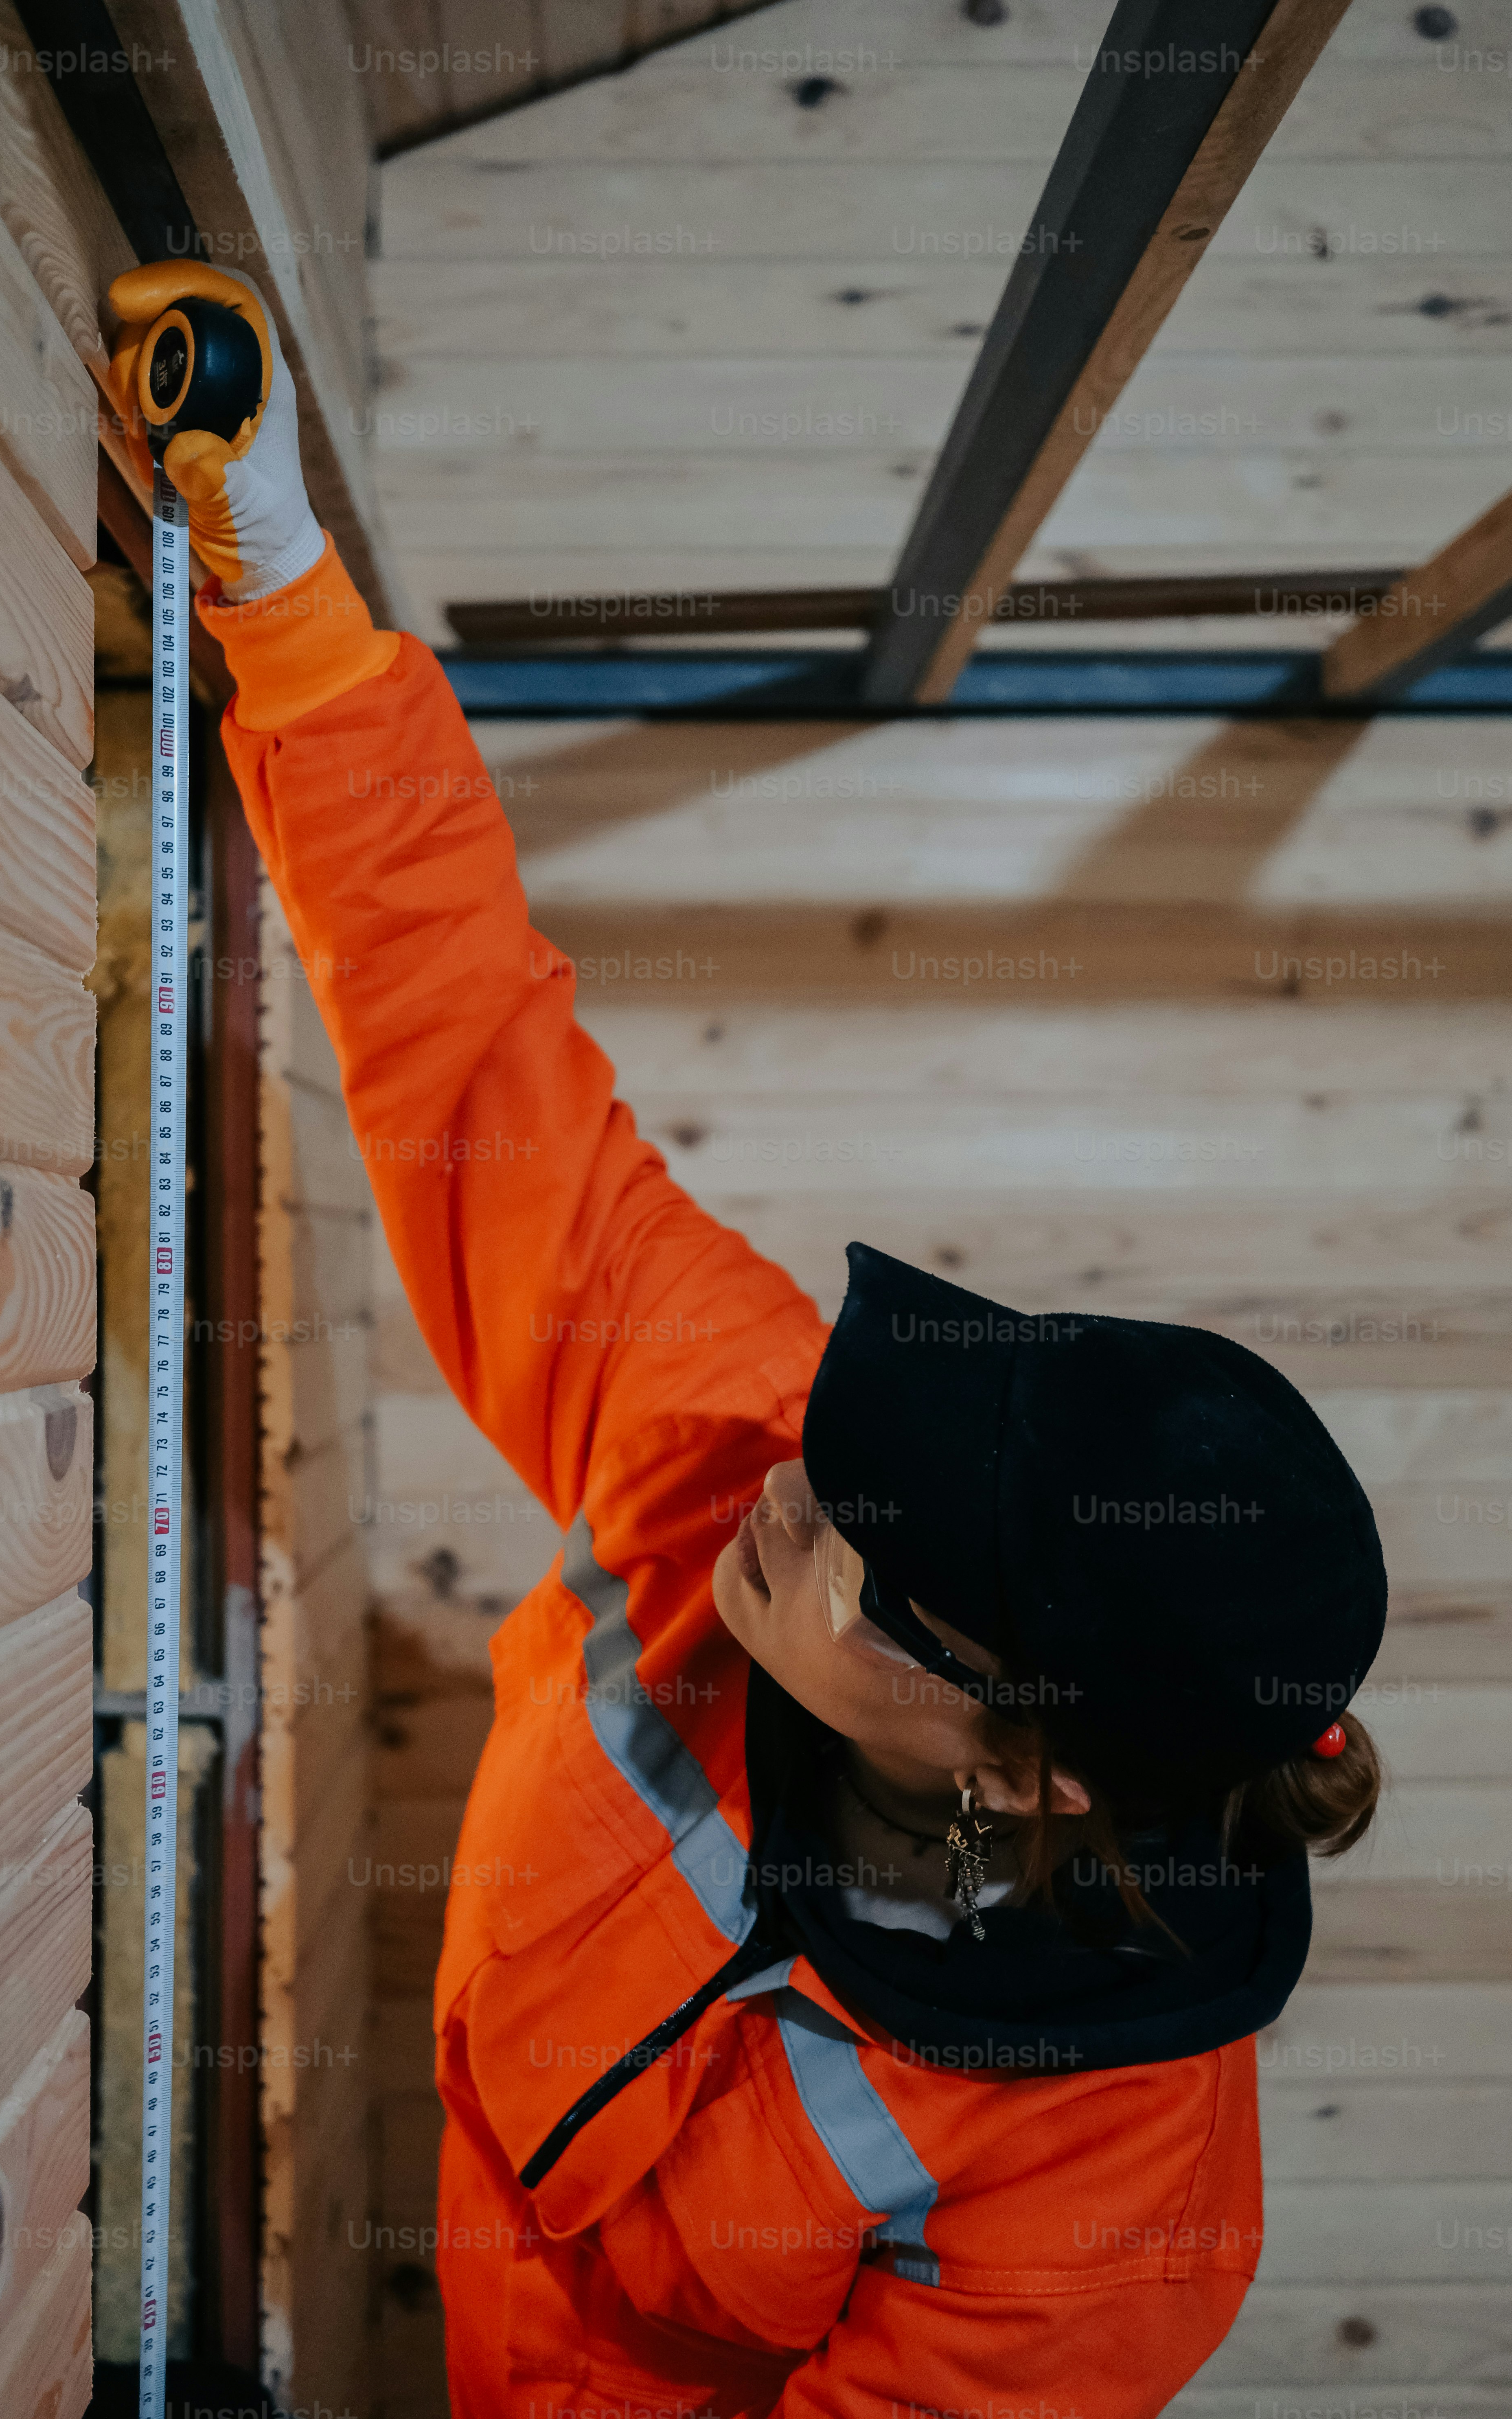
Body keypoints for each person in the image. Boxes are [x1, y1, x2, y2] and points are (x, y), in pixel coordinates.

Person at [110, 267, 1387, 2419]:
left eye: (869, 1538)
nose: (791, 1486)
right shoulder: (751, 1449)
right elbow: (475, 1053)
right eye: (870, 1428)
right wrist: (293, 608)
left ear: (1026, 1768)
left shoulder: (1117, 2204)